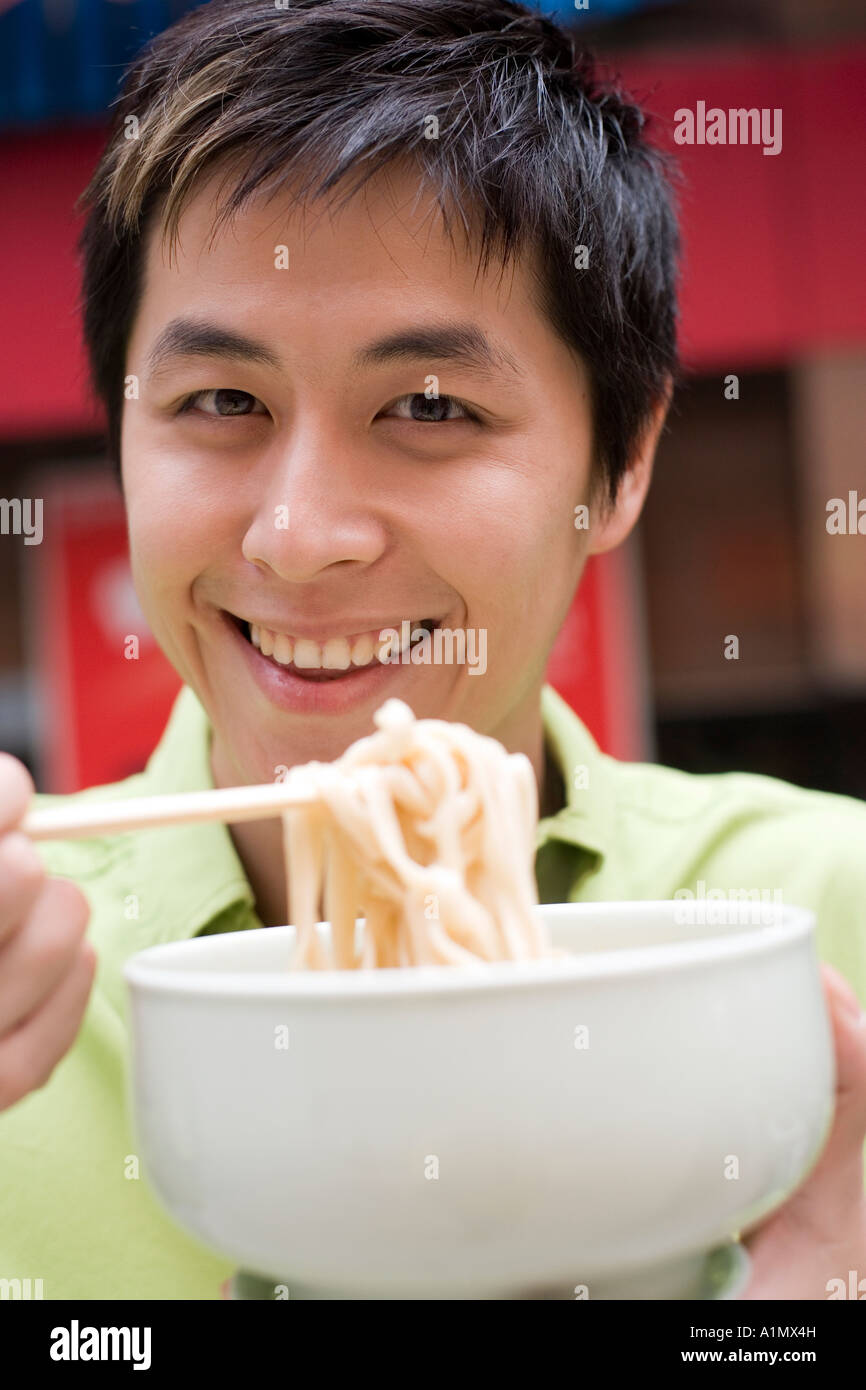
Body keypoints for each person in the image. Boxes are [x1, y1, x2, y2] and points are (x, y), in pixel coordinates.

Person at [1, 0, 864, 1301]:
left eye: (427, 406)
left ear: (619, 464)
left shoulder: (820, 909)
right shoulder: (31, 966)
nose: (298, 538)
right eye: (220, 401)